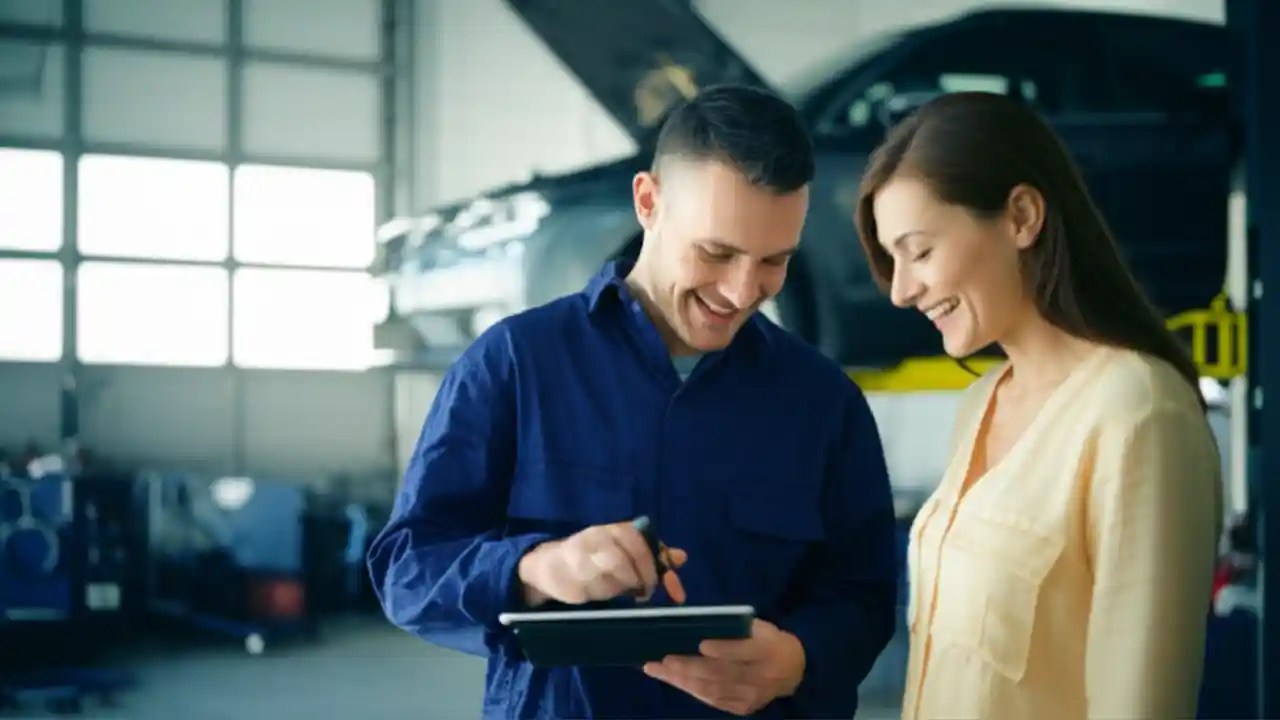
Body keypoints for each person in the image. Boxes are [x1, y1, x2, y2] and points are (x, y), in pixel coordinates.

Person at [367, 84, 899, 720]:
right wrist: (535, 568)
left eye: (774, 261)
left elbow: (863, 596)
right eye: (717, 252)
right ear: (648, 202)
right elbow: (407, 571)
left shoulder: (824, 403)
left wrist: (800, 659)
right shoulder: (516, 363)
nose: (741, 290)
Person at [853, 91, 1223, 720]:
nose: (902, 290)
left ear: (1022, 216)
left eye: (919, 251)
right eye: (892, 261)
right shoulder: (979, 404)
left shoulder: (1139, 412)